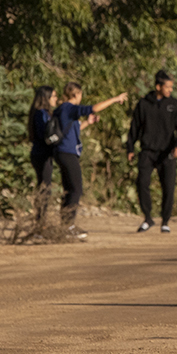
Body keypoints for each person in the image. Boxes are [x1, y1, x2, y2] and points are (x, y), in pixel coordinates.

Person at [53, 82, 129, 238]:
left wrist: (88, 122)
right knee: (76, 189)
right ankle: (68, 226)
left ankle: (65, 226)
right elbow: (94, 108)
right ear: (76, 94)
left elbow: (72, 129)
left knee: (69, 189)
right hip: (67, 153)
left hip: (62, 152)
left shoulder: (62, 110)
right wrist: (115, 99)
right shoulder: (69, 108)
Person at [126, 70, 177, 233]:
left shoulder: (174, 104)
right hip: (147, 151)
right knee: (142, 183)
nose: (170, 90)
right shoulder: (143, 103)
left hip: (167, 153)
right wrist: (130, 148)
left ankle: (165, 221)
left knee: (168, 187)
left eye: (171, 87)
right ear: (158, 86)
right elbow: (134, 127)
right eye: (168, 87)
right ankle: (148, 218)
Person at [26, 85, 58, 223]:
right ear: (46, 98)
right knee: (45, 188)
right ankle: (40, 220)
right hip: (41, 154)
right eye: (54, 96)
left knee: (43, 186)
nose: (56, 99)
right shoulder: (41, 114)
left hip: (41, 153)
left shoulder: (41, 113)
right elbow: (44, 134)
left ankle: (40, 218)